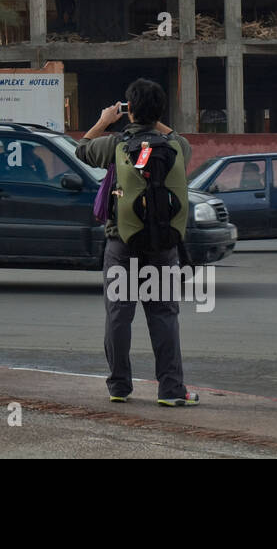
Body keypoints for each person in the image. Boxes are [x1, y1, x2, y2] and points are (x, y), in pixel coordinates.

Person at [75, 78, 199, 407]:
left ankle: (119, 386)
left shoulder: (114, 145)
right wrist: (150, 117)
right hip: (163, 248)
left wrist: (105, 120)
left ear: (130, 112)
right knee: (163, 316)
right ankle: (171, 390)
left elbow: (81, 148)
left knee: (118, 315)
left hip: (122, 245)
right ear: (160, 112)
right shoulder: (178, 148)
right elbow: (173, 137)